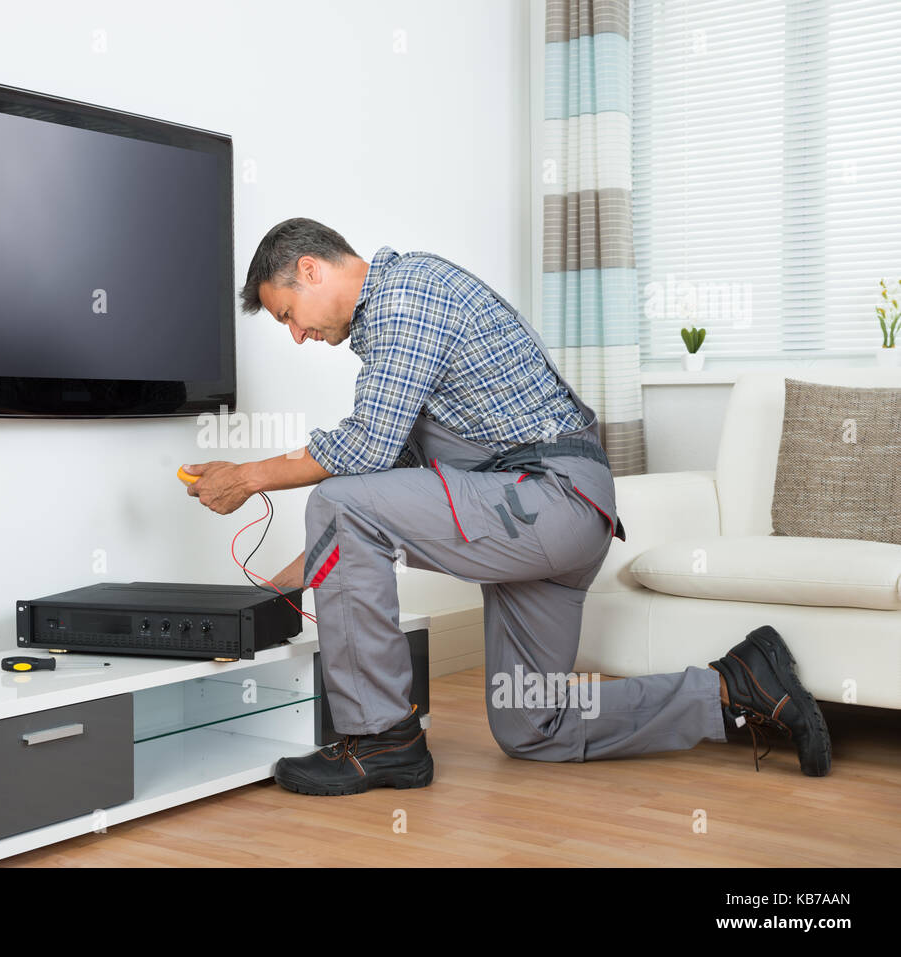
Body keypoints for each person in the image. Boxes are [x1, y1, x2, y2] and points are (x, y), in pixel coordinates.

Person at [181, 217, 831, 795]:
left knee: (337, 496)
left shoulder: (407, 295)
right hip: (554, 512)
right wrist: (283, 585)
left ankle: (383, 739)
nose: (296, 335)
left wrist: (249, 476)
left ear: (310, 268)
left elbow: (363, 450)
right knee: (532, 722)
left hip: (547, 498)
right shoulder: (392, 327)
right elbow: (392, 481)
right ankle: (737, 686)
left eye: (287, 314)